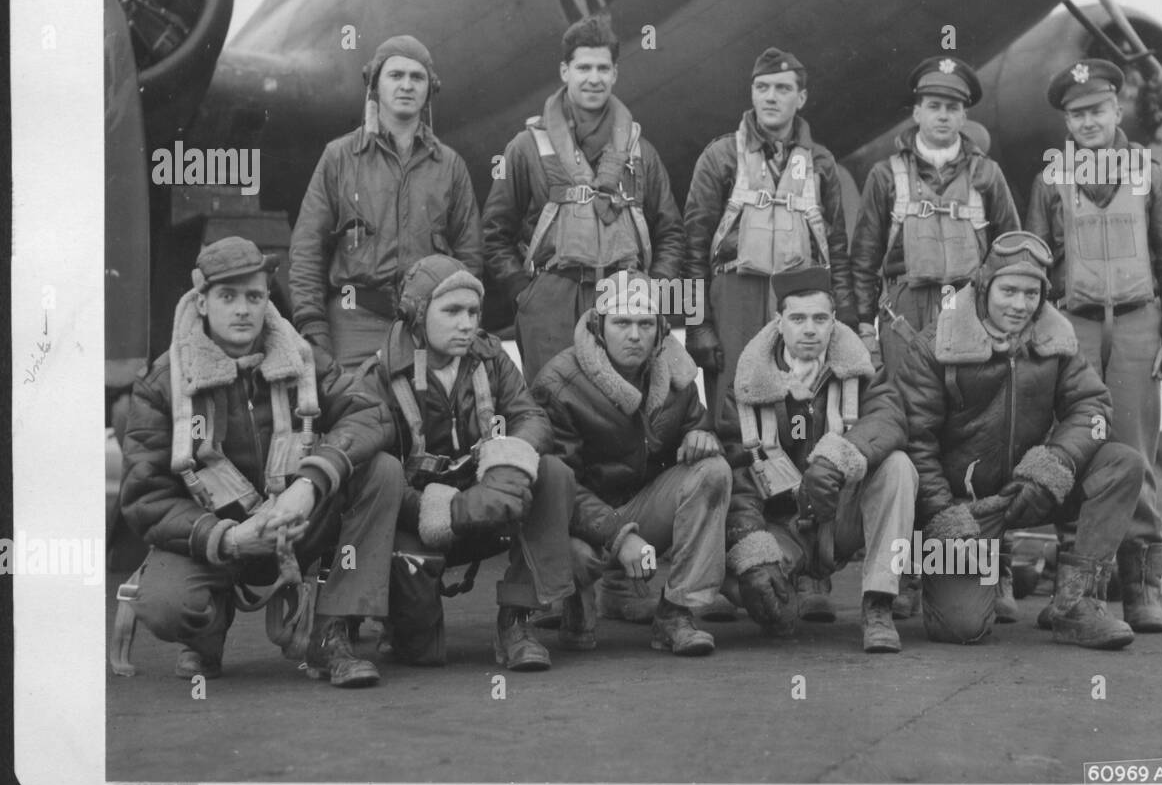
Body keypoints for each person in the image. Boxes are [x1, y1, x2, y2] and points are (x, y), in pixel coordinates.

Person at [118, 237, 402, 687]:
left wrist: (310, 483)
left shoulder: (303, 358)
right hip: (217, 541)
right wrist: (226, 538)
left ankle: (333, 629)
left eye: (254, 296)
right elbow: (145, 496)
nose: (243, 310)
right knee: (164, 605)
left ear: (268, 298)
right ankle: (208, 629)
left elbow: (370, 413)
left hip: (299, 526)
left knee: (383, 471)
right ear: (202, 302)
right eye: (227, 297)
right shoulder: (162, 383)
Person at [893, 230, 1146, 649]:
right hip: (963, 511)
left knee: (1123, 463)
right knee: (962, 628)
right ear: (984, 285)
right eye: (1008, 290)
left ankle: (1074, 606)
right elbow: (916, 441)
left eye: (1032, 293)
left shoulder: (1056, 339)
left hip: (1031, 490)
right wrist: (944, 518)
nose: (1020, 304)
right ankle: (985, 571)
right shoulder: (935, 344)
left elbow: (1094, 409)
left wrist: (1054, 464)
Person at [1026, 59, 1162, 633]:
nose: (1088, 121)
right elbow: (1035, 267)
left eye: (1097, 109)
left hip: (1137, 326)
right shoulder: (1050, 180)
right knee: (1071, 451)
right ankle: (1077, 588)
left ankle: (1142, 589)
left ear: (1117, 110)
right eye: (1077, 114)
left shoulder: (1153, 173)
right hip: (1073, 329)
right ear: (1066, 123)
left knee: (1135, 452)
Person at [360, 255, 576, 672]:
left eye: (473, 312)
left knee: (553, 473)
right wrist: (439, 509)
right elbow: (370, 472)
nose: (466, 323)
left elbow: (530, 418)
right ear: (417, 316)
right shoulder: (380, 375)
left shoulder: (491, 358)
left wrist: (506, 470)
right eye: (452, 311)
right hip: (418, 521)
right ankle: (392, 616)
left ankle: (517, 620)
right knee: (420, 653)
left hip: (488, 501)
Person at [717, 265, 917, 650]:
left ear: (833, 322)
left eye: (820, 318)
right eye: (798, 318)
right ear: (779, 322)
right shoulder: (746, 384)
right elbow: (740, 478)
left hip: (840, 514)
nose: (809, 329)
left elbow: (889, 418)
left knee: (898, 468)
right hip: (783, 524)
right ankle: (769, 585)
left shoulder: (861, 369)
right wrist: (752, 550)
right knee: (759, 595)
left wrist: (835, 459)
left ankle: (880, 604)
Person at [531, 270, 729, 656]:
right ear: (599, 327)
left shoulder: (674, 375)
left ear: (659, 331)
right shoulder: (558, 381)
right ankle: (575, 597)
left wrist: (701, 437)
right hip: (581, 523)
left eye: (645, 324)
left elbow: (698, 427)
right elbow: (556, 485)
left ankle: (676, 613)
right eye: (622, 322)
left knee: (713, 470)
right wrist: (618, 536)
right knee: (565, 531)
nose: (635, 335)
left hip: (640, 509)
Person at [481, 13, 685, 386]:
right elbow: (495, 232)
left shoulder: (641, 153)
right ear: (564, 71)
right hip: (552, 304)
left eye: (603, 68)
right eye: (583, 67)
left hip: (625, 301)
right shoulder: (525, 149)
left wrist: (654, 290)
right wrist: (525, 297)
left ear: (615, 74)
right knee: (554, 410)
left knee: (625, 410)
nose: (594, 78)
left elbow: (670, 230)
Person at [682, 47, 855, 426]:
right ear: (752, 93)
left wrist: (849, 323)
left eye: (782, 88)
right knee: (733, 408)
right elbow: (692, 249)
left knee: (800, 403)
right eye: (762, 87)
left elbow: (837, 252)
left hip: (798, 302)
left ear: (802, 97)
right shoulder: (720, 157)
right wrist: (697, 325)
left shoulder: (821, 163)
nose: (771, 97)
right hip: (733, 299)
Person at [290, 35, 483, 369]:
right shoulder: (339, 157)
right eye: (396, 75)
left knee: (427, 417)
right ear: (375, 85)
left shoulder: (451, 166)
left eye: (417, 77)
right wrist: (312, 325)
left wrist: (457, 316)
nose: (406, 85)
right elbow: (308, 248)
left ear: (429, 89)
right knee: (355, 415)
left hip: (426, 327)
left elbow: (469, 256)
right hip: (353, 323)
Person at [849, 55, 1021, 377]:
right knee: (905, 411)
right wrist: (863, 326)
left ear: (964, 115)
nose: (943, 116)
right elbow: (864, 259)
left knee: (967, 411)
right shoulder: (885, 176)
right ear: (917, 112)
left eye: (952, 108)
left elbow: (1011, 252)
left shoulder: (987, 174)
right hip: (903, 314)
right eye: (934, 106)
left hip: (970, 310)